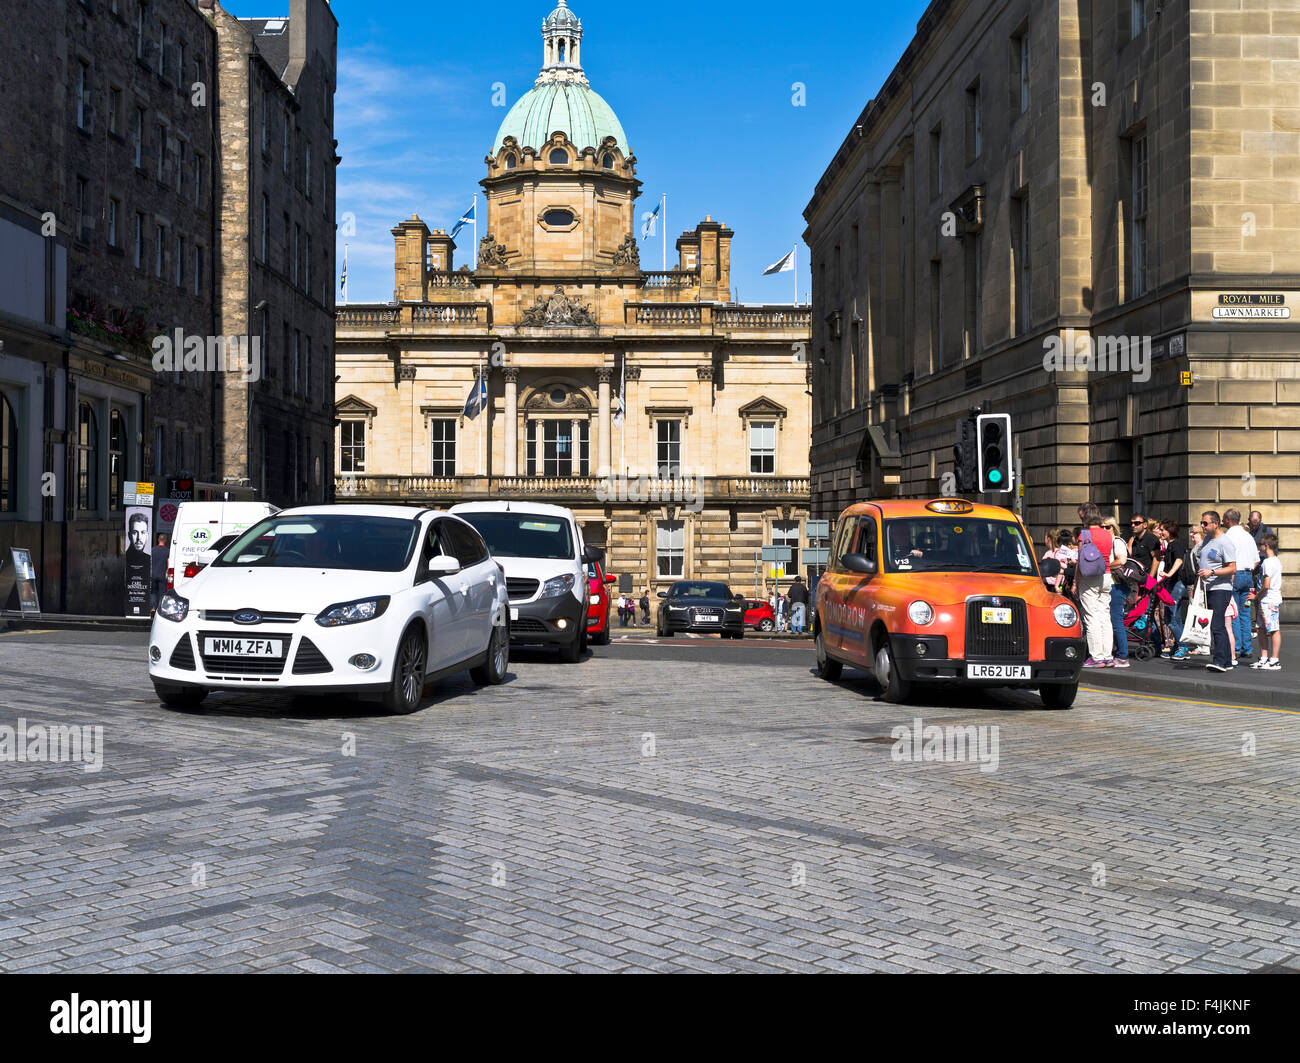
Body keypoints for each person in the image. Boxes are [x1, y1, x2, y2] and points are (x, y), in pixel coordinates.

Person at [1073, 503, 1115, 668]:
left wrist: (1076, 582)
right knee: (1104, 616)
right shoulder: (1107, 534)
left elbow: (1080, 560)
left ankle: (1096, 657)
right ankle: (1108, 656)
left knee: (1091, 617)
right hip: (1106, 576)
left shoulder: (1085, 535)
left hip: (1089, 577)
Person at [1197, 510, 1238, 673]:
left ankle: (1220, 660)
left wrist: (1212, 573)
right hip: (1208, 587)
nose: (1203, 526)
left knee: (1217, 625)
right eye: (1202, 523)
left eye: (1205, 523)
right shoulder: (1207, 540)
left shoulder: (1225, 542)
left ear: (1216, 524)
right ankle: (1227, 661)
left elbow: (1233, 568)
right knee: (1217, 624)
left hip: (1221, 588)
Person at [1223, 508, 1260, 661]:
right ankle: (1247, 648)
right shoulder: (1248, 536)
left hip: (1234, 575)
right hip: (1248, 575)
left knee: (1234, 613)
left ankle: (1236, 647)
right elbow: (1256, 560)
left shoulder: (1227, 536)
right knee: (1245, 613)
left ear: (1228, 520)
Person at [1101, 516, 1132, 667]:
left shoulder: (1117, 542)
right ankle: (1115, 651)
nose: (1105, 530)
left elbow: (1122, 560)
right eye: (1102, 527)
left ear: (1114, 528)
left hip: (1117, 586)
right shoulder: (1105, 543)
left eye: (1108, 527)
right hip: (1111, 585)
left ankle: (1122, 656)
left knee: (1116, 621)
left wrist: (1105, 566)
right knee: (1109, 620)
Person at [1251, 533, 1282, 671]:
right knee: (1261, 628)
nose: (1260, 547)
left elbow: (1267, 584)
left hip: (1268, 599)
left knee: (1273, 629)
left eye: (1261, 545)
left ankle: (1274, 660)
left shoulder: (1268, 563)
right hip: (1268, 599)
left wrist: (1256, 596)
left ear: (1266, 546)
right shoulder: (1276, 561)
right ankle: (1264, 658)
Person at [1156, 520, 1187, 656]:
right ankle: (1178, 646)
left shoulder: (1176, 545)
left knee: (1171, 617)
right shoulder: (1170, 545)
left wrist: (1168, 574)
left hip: (1177, 584)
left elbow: (1179, 560)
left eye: (1163, 530)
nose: (1160, 532)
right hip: (1173, 584)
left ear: (1170, 531)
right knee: (1176, 617)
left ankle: (1182, 646)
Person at [150, 532, 170, 611]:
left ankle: (154, 607)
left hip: (153, 574)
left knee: (153, 592)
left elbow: (150, 561)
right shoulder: (168, 551)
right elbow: (168, 563)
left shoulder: (152, 550)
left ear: (158, 540)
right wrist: (167, 573)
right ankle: (160, 608)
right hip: (162, 575)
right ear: (165, 540)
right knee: (162, 593)